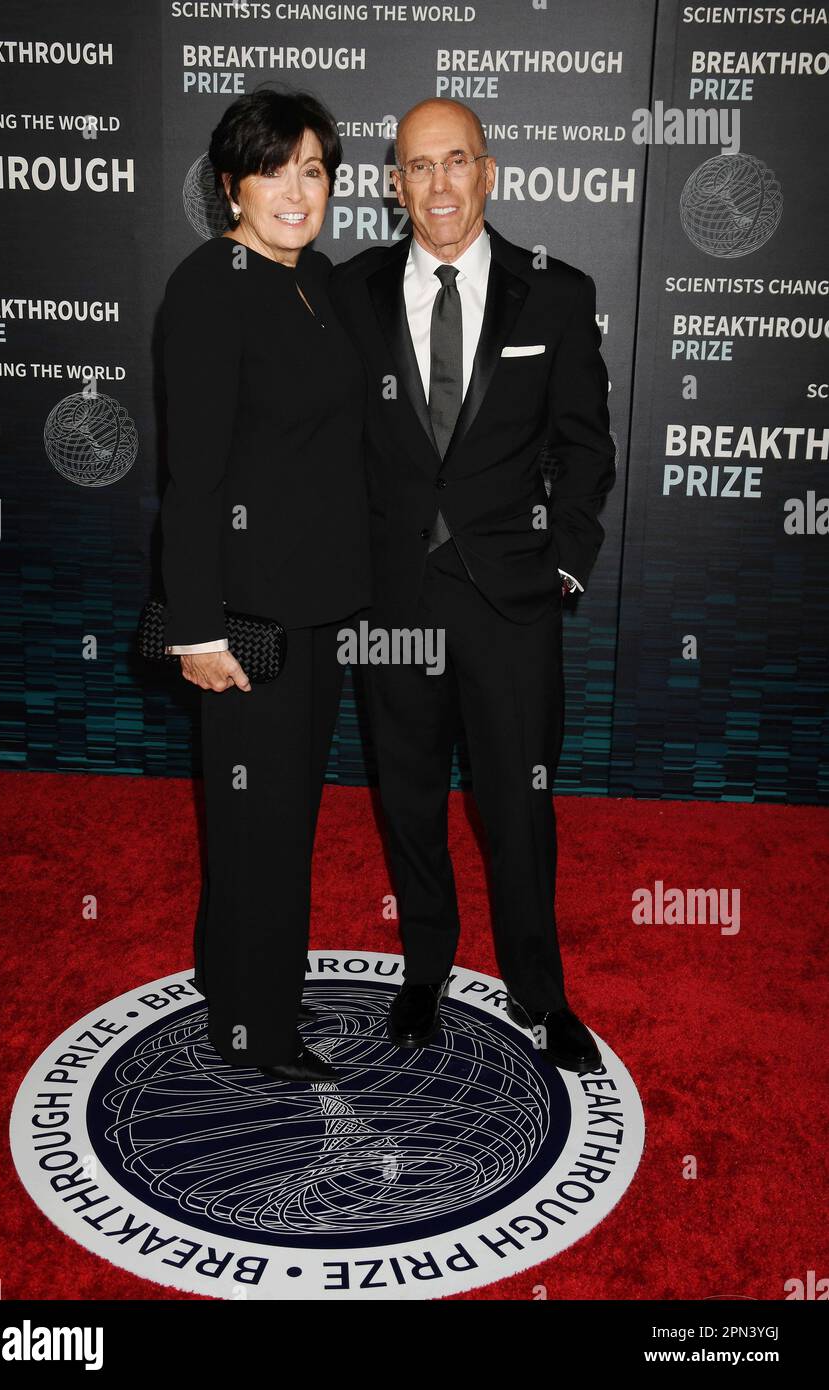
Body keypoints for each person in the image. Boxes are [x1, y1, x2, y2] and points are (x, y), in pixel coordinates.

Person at [329, 98, 616, 1073]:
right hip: (391, 606)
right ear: (392, 183)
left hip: (509, 606)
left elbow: (586, 449)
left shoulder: (556, 296)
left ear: (490, 173)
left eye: (456, 161)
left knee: (517, 806)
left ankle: (541, 990)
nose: (439, 184)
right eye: (417, 166)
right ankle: (423, 969)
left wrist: (565, 561)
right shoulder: (349, 293)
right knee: (407, 796)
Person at [160, 86, 371, 1083]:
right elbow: (192, 476)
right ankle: (254, 1026)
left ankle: (226, 972)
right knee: (265, 825)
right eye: (275, 167)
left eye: (315, 169)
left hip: (321, 606)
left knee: (272, 816)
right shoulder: (213, 286)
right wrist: (198, 628)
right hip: (247, 617)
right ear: (231, 183)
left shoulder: (316, 280)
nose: (298, 188)